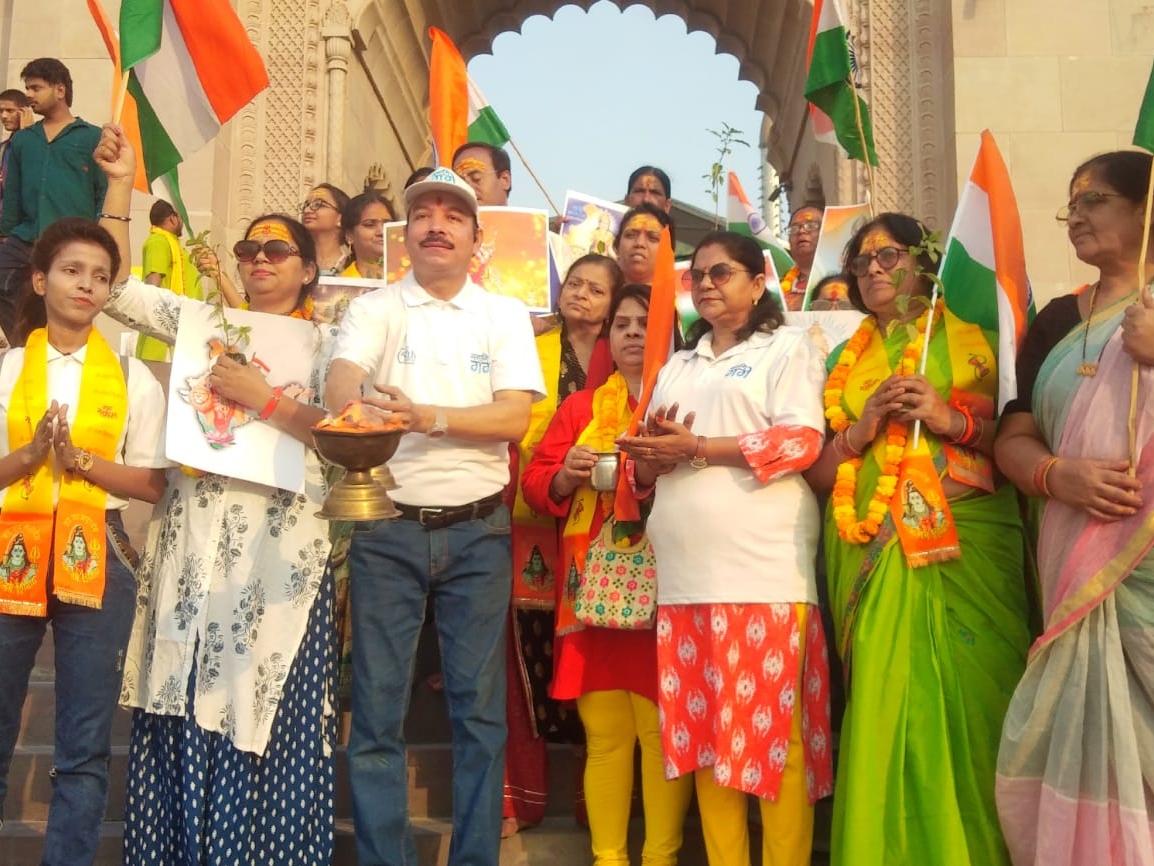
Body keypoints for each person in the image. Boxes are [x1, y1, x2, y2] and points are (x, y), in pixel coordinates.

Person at [92, 124, 341, 865]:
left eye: (276, 252)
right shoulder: (205, 325)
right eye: (248, 251)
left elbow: (348, 435)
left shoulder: (334, 345)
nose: (259, 261)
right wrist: (119, 184)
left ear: (308, 269)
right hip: (190, 550)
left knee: (265, 715)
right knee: (180, 704)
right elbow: (119, 293)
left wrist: (265, 400)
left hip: (279, 565)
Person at [324, 166, 544, 866]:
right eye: (424, 214)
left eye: (454, 214)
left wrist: (428, 417)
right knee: (378, 715)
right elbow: (340, 382)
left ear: (477, 239)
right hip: (387, 527)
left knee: (478, 718)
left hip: (478, 532)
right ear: (406, 235)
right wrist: (352, 395)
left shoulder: (503, 314)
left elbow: (514, 418)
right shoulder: (376, 309)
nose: (437, 224)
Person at [804, 212, 1031, 866]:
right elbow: (821, 470)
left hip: (963, 544)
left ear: (924, 264)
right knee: (885, 701)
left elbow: (1015, 446)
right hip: (868, 545)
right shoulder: (842, 356)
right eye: (862, 260)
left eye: (889, 255)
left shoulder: (976, 340)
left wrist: (945, 415)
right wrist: (863, 426)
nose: (874, 269)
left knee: (976, 704)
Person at [617, 231, 834, 866]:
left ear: (758, 283)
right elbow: (642, 476)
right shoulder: (677, 365)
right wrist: (651, 462)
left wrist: (700, 450)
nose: (707, 284)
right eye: (699, 275)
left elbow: (801, 443)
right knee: (709, 742)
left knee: (773, 742)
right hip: (684, 577)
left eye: (722, 273)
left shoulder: (787, 348)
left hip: (762, 573)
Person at [994, 150, 1154, 866]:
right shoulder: (1058, 319)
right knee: (1083, 733)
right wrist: (1057, 477)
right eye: (1072, 204)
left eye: (1094, 201)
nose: (1077, 217)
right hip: (1076, 568)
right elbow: (1015, 434)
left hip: (1143, 570)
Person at [0, 214, 168, 865]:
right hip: (13, 543)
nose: (86, 285)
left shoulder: (131, 375)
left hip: (97, 550)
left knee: (84, 746)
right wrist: (32, 454)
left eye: (100, 276)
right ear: (40, 279)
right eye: (72, 270)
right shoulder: (10, 367)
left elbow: (152, 483)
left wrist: (82, 463)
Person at [522, 284, 694, 866]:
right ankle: (609, 858)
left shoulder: (687, 407)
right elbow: (535, 482)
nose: (631, 333)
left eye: (645, 322)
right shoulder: (582, 409)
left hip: (670, 585)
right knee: (606, 737)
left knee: (659, 732)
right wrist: (566, 476)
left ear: (670, 332)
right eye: (620, 323)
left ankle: (661, 857)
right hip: (592, 591)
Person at [506, 252, 623, 834]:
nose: (581, 294)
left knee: (595, 659)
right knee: (527, 656)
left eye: (596, 289)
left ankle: (591, 800)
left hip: (605, 527)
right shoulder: (532, 347)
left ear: (615, 304)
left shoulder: (625, 356)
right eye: (574, 283)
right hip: (533, 513)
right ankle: (522, 795)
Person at [0, 59, 107, 346]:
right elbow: (12, 192)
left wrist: (95, 239)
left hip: (71, 241)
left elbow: (102, 192)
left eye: (36, 88)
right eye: (27, 88)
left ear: (60, 90)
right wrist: (6, 233)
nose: (29, 95)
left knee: (63, 307)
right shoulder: (23, 141)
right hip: (26, 237)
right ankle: (21, 347)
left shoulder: (91, 137)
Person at [135, 198, 204, 361]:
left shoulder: (174, 245)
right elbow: (153, 286)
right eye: (180, 217)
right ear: (173, 218)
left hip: (186, 329)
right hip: (163, 339)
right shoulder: (158, 242)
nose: (181, 222)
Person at [615, 203, 673, 288]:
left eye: (653, 238)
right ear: (616, 247)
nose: (639, 243)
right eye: (630, 235)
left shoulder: (681, 300)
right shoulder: (593, 298)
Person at [340, 191, 393, 280]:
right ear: (349, 236)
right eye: (369, 224)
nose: (381, 232)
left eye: (387, 224)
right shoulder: (338, 287)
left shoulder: (415, 278)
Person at [781, 205, 823, 311]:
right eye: (794, 228)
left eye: (811, 226)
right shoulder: (777, 287)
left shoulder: (845, 280)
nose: (801, 231)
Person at [302, 182, 350, 275]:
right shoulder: (296, 263)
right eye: (306, 205)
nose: (306, 210)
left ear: (341, 218)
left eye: (319, 205)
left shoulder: (355, 265)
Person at [0, 88, 31, 222]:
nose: (4, 116)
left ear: (25, 112)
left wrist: (27, 133)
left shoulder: (38, 143)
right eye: (1, 111)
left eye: (10, 111)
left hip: (26, 221)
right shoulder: (4, 148)